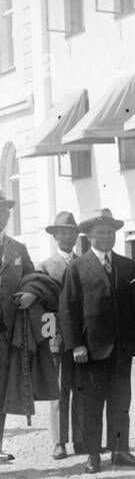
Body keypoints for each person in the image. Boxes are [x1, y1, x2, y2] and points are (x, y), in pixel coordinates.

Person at [58, 210, 135, 474]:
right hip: (90, 350)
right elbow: (67, 309)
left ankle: (120, 451)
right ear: (89, 236)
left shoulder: (128, 266)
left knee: (121, 403)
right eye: (100, 233)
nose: (106, 237)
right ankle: (93, 455)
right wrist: (76, 344)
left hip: (122, 349)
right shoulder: (77, 267)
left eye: (109, 232)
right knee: (92, 405)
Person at [37, 211, 83, 459]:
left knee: (82, 390)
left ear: (77, 235)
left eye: (71, 232)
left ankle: (80, 439)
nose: (67, 236)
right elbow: (43, 307)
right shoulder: (44, 266)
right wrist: (49, 339)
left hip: (82, 339)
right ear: (55, 235)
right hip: (58, 339)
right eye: (62, 232)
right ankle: (59, 441)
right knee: (59, 391)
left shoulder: (84, 262)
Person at [0, 195, 35, 461]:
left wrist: (30, 294)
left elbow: (33, 278)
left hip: (8, 334)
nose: (1, 216)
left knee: (2, 390)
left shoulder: (18, 249)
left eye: (4, 212)